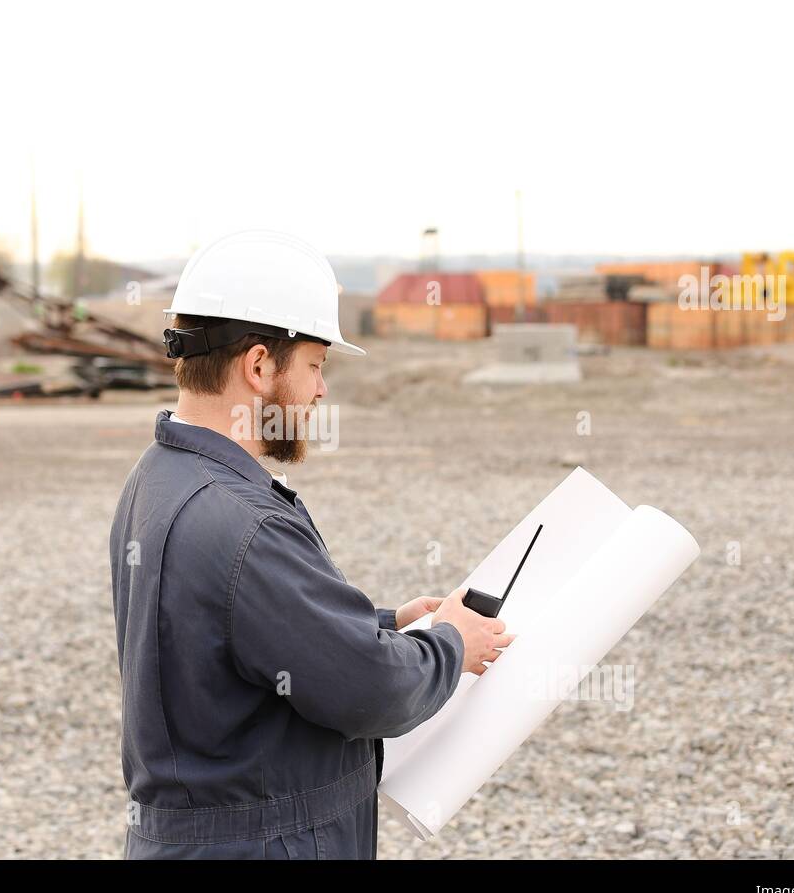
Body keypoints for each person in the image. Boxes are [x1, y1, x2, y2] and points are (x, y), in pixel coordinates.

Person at [109, 229, 512, 859]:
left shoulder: (159, 478)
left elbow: (236, 627)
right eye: (316, 365)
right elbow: (368, 691)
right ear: (260, 365)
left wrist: (386, 624)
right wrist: (451, 644)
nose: (322, 390)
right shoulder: (242, 521)